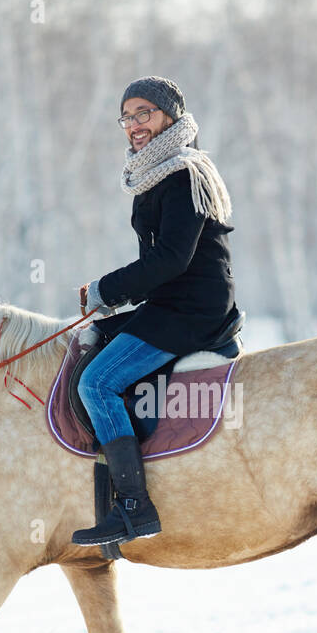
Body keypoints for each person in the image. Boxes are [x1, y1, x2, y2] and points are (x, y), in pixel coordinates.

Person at [72, 76, 238, 547]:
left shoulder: (184, 173)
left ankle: (133, 507)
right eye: (126, 117)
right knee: (89, 342)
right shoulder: (154, 173)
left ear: (170, 115)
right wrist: (112, 298)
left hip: (192, 308)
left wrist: (108, 287)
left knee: (97, 382)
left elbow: (169, 260)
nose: (134, 125)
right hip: (172, 301)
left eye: (144, 113)